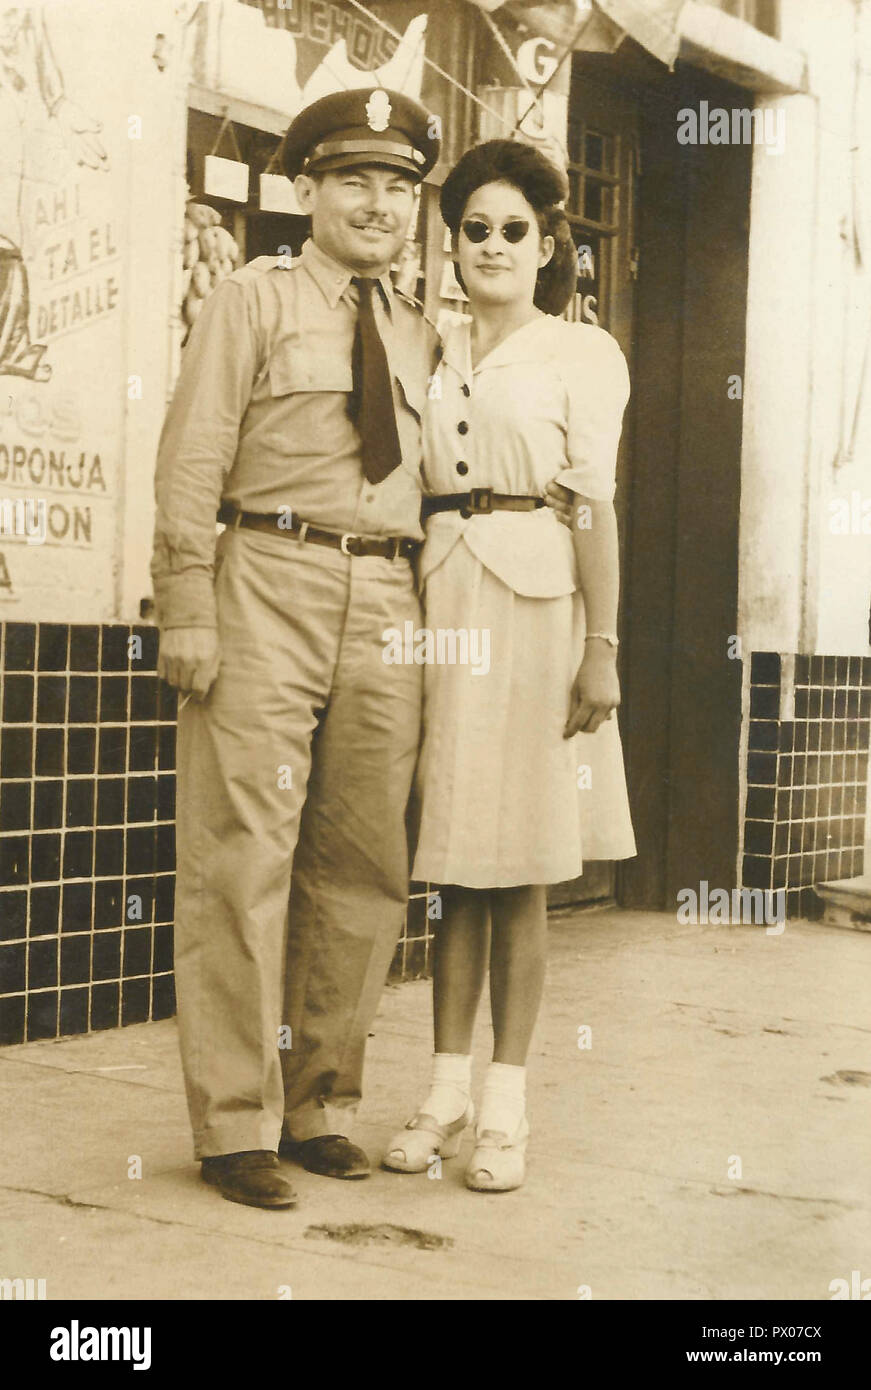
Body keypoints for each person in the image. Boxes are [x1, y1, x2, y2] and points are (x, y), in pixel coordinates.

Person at [151, 88, 440, 1209]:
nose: (379, 204)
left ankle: (322, 1101)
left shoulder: (422, 325)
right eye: (355, 179)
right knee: (241, 855)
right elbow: (193, 454)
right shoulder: (251, 300)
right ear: (307, 189)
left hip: (388, 594)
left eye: (400, 187)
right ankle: (231, 1124)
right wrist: (185, 599)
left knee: (364, 862)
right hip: (266, 574)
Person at [383, 138, 636, 1193]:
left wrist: (601, 650)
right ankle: (442, 1093)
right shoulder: (425, 346)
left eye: (513, 229)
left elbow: (591, 507)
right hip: (443, 601)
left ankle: (504, 1110)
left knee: (520, 869)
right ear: (450, 247)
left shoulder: (583, 355)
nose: (492, 244)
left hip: (538, 612)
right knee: (452, 865)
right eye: (474, 229)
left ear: (546, 246)